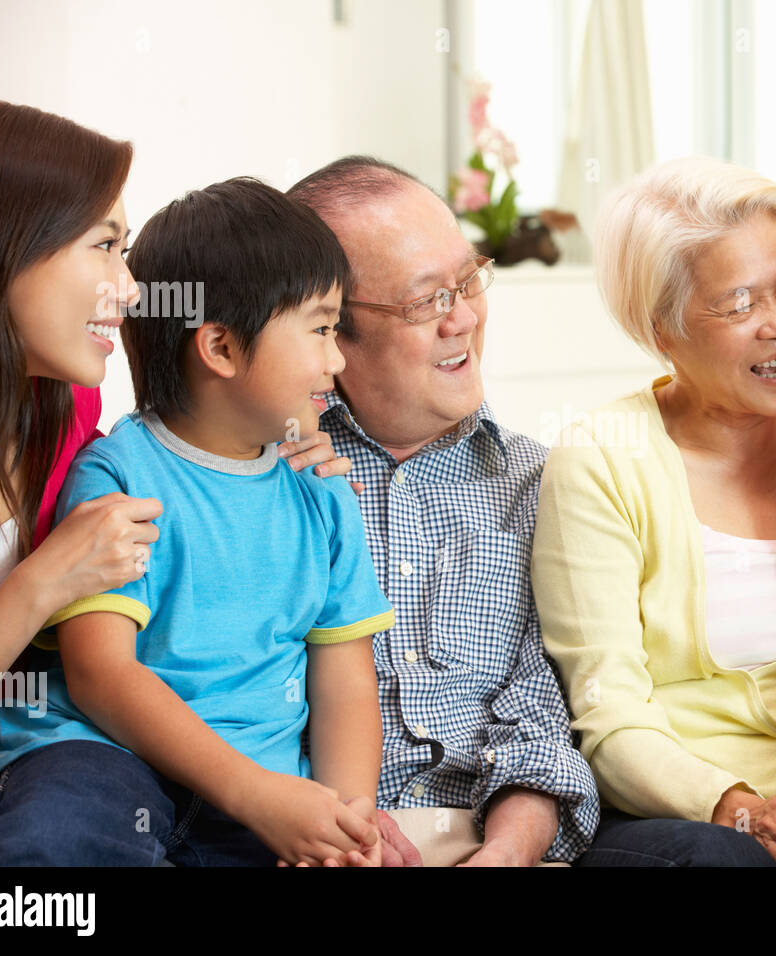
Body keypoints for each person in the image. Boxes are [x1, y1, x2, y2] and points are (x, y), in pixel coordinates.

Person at [0, 101, 348, 866]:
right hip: (30, 823)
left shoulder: (64, 410)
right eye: (104, 246)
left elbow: (199, 436)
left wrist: (290, 427)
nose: (130, 290)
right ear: (0, 249)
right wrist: (36, 586)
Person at [531, 157, 776, 866]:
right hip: (675, 810)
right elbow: (609, 716)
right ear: (662, 329)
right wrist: (740, 808)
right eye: (738, 305)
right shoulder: (602, 459)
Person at [286, 157, 599, 867]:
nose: (463, 318)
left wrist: (508, 854)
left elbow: (541, 717)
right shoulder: (276, 476)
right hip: (317, 838)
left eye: (467, 282)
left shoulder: (536, 482)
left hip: (492, 838)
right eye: (427, 300)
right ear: (329, 332)